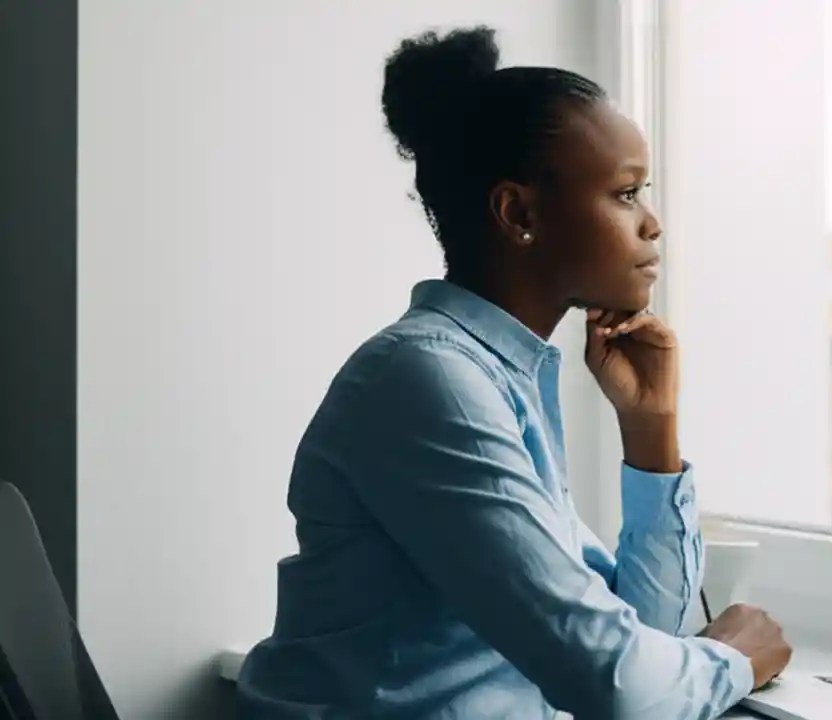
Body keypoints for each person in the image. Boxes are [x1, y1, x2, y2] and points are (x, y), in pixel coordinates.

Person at [236, 25, 792, 719]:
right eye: (626, 194)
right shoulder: (428, 383)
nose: (652, 224)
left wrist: (650, 430)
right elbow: (620, 690)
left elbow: (648, 638)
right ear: (519, 212)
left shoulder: (494, 380)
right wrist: (736, 658)